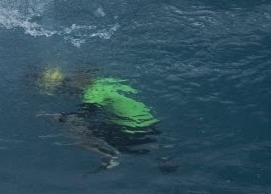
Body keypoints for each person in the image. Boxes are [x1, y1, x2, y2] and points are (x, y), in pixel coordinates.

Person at [35, 67, 176, 172]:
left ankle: (109, 155)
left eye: (72, 79)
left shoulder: (92, 93)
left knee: (73, 128)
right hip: (149, 122)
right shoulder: (108, 82)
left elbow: (84, 115)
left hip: (131, 129)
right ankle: (164, 156)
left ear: (83, 79)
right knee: (145, 141)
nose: (69, 80)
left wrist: (59, 115)